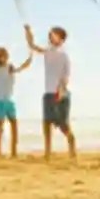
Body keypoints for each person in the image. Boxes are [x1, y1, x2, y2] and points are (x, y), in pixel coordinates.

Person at [25, 24, 76, 161]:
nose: (51, 36)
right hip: (48, 92)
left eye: (54, 34)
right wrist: (28, 32)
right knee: (46, 123)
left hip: (60, 93)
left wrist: (60, 90)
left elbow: (65, 77)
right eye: (51, 34)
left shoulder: (64, 55)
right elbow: (32, 45)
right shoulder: (48, 52)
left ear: (61, 39)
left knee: (63, 125)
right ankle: (47, 152)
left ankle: (72, 146)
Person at [0, 45, 32, 158]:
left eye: (2, 56)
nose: (0, 59)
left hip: (8, 100)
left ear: (6, 57)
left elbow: (20, 68)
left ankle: (14, 152)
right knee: (0, 126)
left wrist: (29, 60)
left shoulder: (9, 67)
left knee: (14, 124)